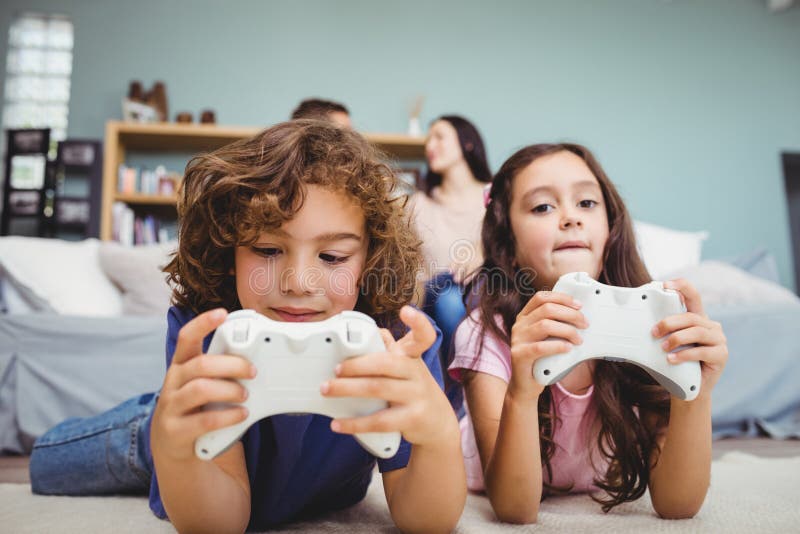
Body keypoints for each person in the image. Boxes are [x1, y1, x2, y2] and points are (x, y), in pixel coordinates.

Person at [29, 121, 466, 533]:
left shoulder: (397, 344)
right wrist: (174, 449)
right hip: (168, 439)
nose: (298, 282)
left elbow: (426, 521)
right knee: (47, 464)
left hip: (311, 483)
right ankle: (155, 420)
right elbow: (221, 523)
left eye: (332, 257)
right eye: (267, 249)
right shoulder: (208, 330)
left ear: (371, 258)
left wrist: (439, 434)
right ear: (228, 251)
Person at [450, 143, 728, 523]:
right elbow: (515, 510)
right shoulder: (485, 334)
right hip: (491, 476)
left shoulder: (649, 326)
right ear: (508, 246)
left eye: (586, 203)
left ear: (610, 231)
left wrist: (693, 392)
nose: (570, 218)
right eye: (542, 207)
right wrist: (522, 393)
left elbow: (677, 506)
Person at [407, 115, 492, 412]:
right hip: (437, 296)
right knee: (448, 300)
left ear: (467, 142)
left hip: (487, 291)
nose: (430, 146)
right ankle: (459, 406)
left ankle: (465, 402)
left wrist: (483, 254)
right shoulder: (418, 204)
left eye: (439, 136)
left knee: (461, 300)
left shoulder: (494, 196)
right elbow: (410, 269)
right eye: (428, 139)